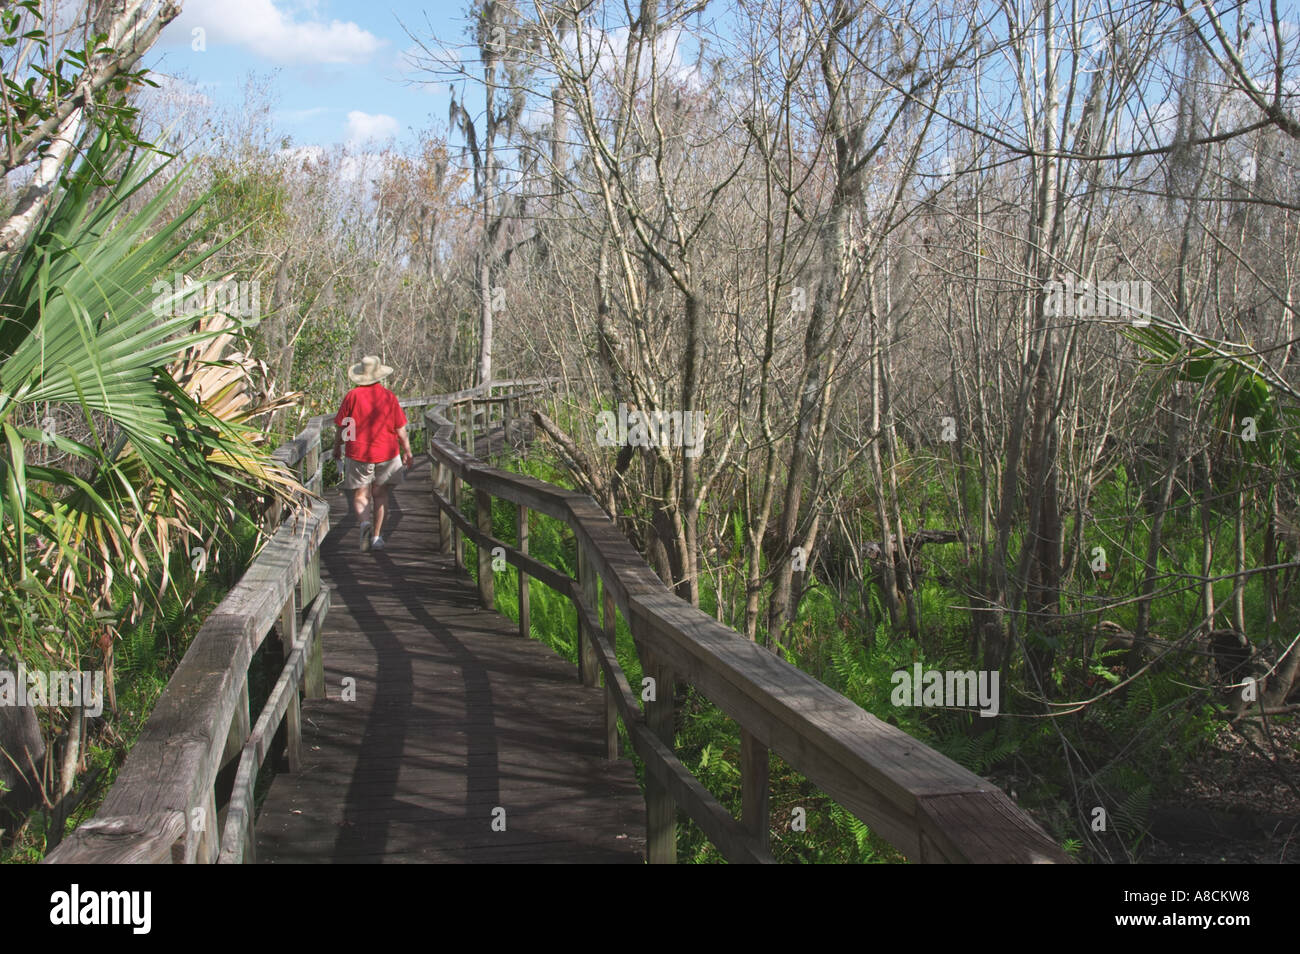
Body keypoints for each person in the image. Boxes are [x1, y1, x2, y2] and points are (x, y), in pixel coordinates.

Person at [333, 356, 413, 551]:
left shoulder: (352, 396)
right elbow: (400, 429)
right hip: (386, 451)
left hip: (358, 451)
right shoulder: (388, 396)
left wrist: (337, 446)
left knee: (361, 494)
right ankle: (377, 537)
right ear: (379, 375)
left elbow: (343, 426)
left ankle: (363, 523)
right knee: (381, 494)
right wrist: (408, 451)